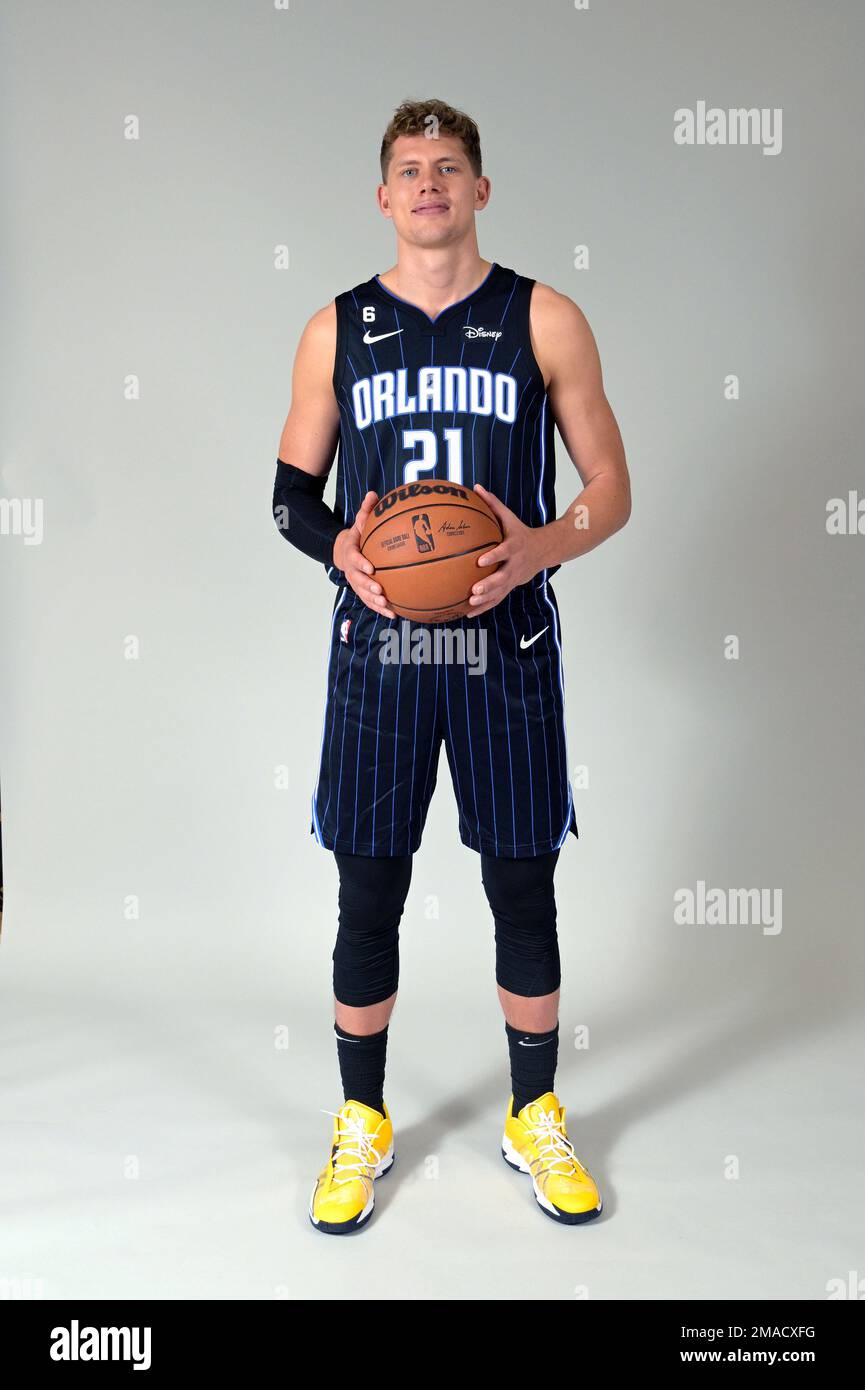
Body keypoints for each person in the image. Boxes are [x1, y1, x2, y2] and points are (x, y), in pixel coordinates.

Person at [272, 98, 631, 1234]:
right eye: (409, 169)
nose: (429, 183)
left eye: (450, 167)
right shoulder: (335, 328)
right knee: (367, 885)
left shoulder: (546, 317)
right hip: (378, 651)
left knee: (520, 883)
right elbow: (289, 495)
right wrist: (338, 544)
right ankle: (362, 1121)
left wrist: (540, 545)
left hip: (505, 647)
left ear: (482, 189)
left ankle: (533, 1113)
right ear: (383, 198)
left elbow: (610, 488)